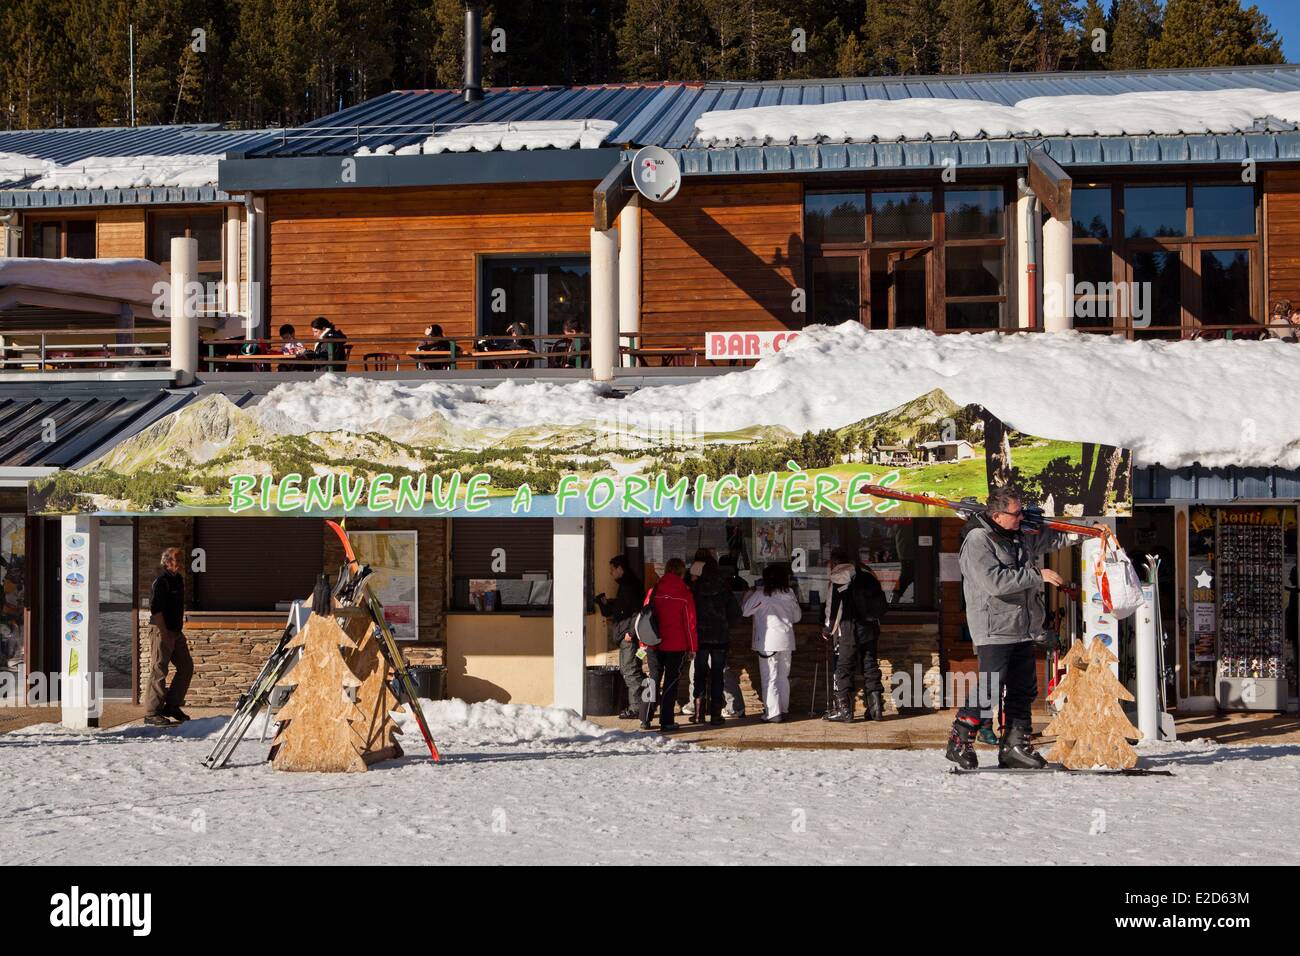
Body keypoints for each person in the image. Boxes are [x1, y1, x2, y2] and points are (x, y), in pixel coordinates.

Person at [946, 487, 1076, 771]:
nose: (1021, 518)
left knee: (1023, 688)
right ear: (996, 515)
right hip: (994, 627)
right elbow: (994, 582)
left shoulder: (1017, 536)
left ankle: (1015, 745)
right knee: (991, 687)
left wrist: (1086, 530)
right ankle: (960, 739)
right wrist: (1036, 575)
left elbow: (1053, 536)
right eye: (1015, 513)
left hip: (1023, 626)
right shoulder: (978, 540)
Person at [822, 547, 888, 723]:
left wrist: (828, 630)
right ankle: (876, 710)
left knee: (844, 667)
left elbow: (833, 608)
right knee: (870, 665)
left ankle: (845, 712)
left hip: (848, 627)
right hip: (870, 626)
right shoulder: (866, 572)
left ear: (834, 562)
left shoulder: (838, 576)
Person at [639, 558, 696, 732]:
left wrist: (643, 642)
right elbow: (690, 623)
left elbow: (644, 618)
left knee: (652, 679)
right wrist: (693, 647)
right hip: (676, 646)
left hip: (653, 644)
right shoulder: (685, 593)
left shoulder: (653, 590)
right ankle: (666, 721)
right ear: (681, 572)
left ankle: (645, 717)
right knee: (671, 682)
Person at [688, 551, 741, 726]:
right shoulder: (723, 587)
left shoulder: (695, 589)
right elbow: (735, 613)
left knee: (700, 675)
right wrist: (726, 625)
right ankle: (716, 715)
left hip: (700, 638)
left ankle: (698, 714)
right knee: (718, 675)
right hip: (720, 638)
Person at [743, 563, 801, 723]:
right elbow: (797, 617)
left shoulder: (761, 595)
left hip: (768, 642)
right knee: (783, 677)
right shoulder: (789, 593)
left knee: (770, 678)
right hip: (787, 640)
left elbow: (745, 611)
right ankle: (783, 709)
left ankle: (773, 713)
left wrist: (749, 594)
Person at [144, 547, 193, 726]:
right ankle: (151, 713)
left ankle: (171, 705)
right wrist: (165, 634)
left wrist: (177, 633)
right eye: (176, 560)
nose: (180, 564)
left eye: (181, 560)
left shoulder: (178, 580)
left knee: (186, 666)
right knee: (159, 669)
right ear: (166, 562)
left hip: (175, 631)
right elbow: (156, 610)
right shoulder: (161, 581)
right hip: (160, 630)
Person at [595, 555, 645, 720]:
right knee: (628, 670)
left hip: (629, 638)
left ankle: (639, 707)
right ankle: (643, 703)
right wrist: (608, 604)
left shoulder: (630, 586)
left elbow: (637, 611)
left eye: (612, 569)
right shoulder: (627, 586)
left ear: (620, 568)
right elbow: (625, 608)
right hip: (626, 635)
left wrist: (631, 632)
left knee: (630, 671)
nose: (610, 573)